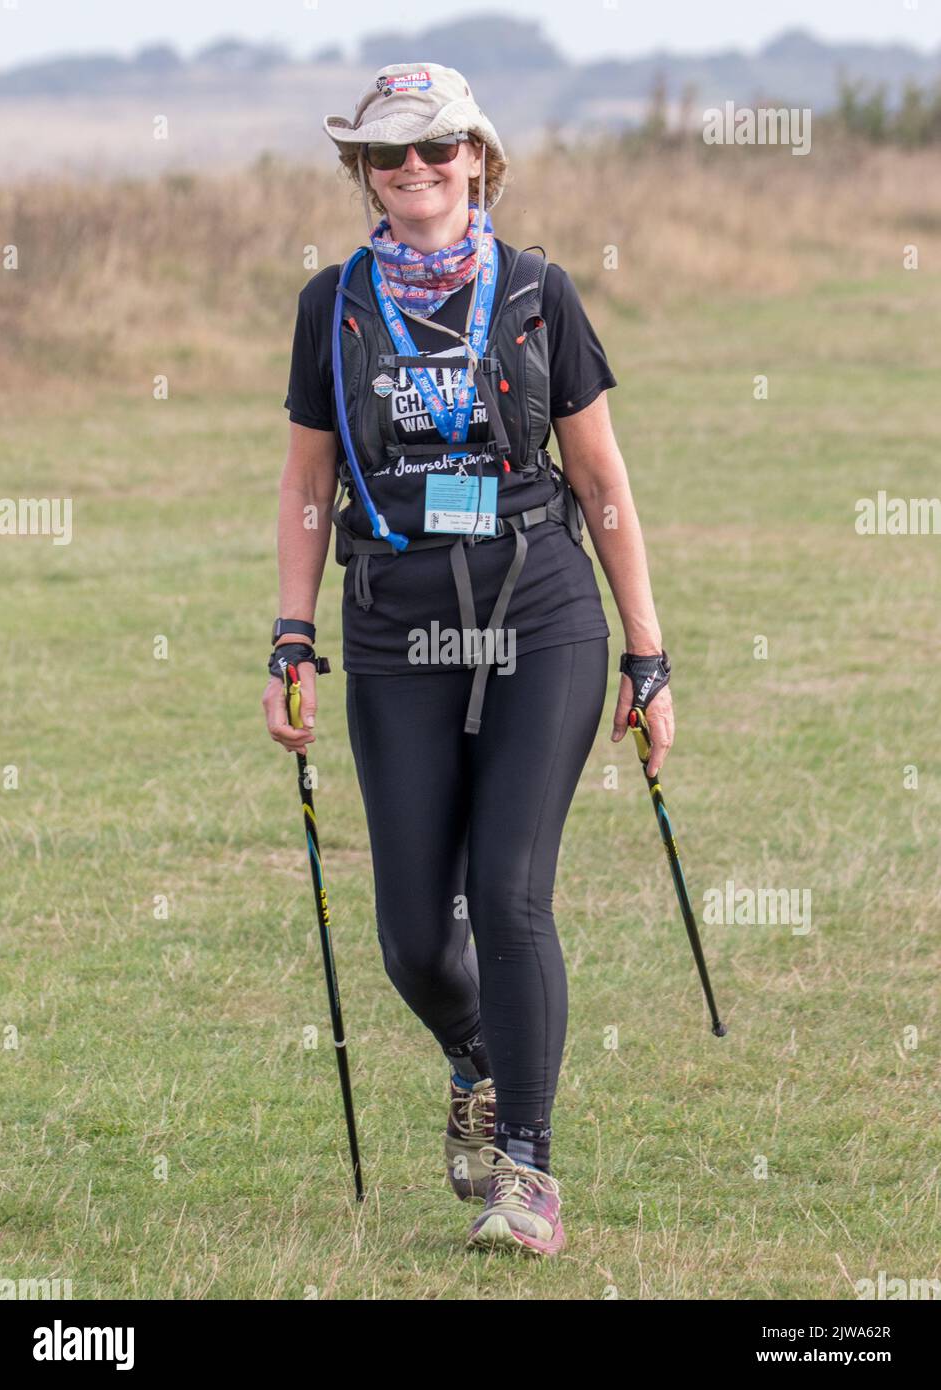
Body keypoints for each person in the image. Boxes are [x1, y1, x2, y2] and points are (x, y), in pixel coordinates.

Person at [262, 63, 675, 1257]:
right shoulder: (330, 305)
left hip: (536, 611)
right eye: (390, 154)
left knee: (507, 893)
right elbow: (305, 485)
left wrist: (648, 658)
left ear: (480, 159)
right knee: (409, 934)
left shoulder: (540, 295)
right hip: (392, 624)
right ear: (363, 173)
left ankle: (529, 1171)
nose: (416, 170)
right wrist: (290, 635)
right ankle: (477, 1061)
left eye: (439, 149)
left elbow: (600, 481)